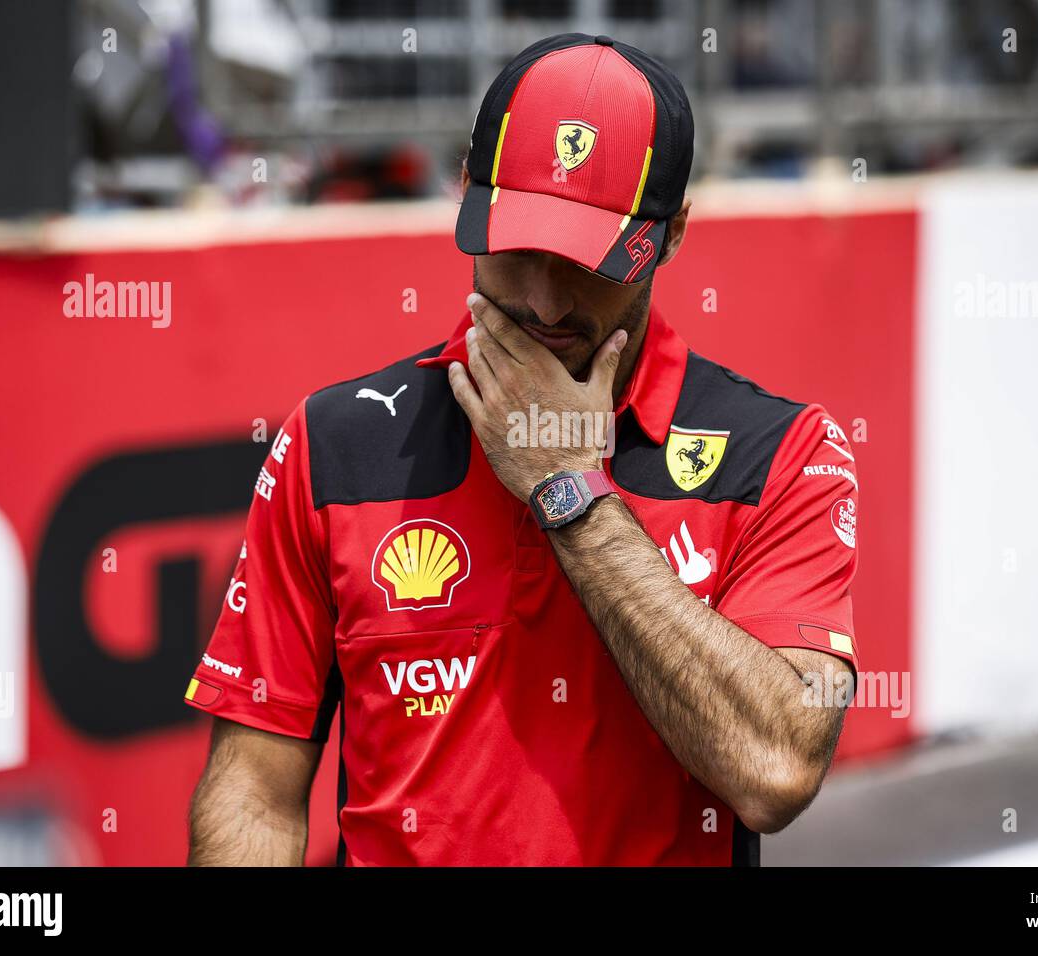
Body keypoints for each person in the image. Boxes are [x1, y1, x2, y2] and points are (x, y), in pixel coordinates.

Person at [185, 33, 859, 866]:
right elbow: (254, 793)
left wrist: (569, 490)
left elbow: (777, 769)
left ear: (673, 233)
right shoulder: (333, 446)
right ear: (466, 193)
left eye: (588, 262)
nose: (543, 300)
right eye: (517, 246)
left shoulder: (782, 454)